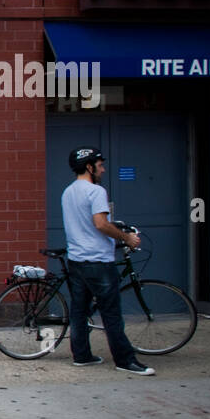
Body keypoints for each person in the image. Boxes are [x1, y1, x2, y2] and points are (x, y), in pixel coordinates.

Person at [61, 146, 154, 375]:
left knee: (79, 311)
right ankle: (125, 360)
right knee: (111, 313)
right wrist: (127, 238)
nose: (103, 169)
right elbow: (101, 224)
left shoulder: (68, 192)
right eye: (100, 165)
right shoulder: (95, 192)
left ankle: (81, 355)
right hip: (98, 261)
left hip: (77, 260)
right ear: (89, 167)